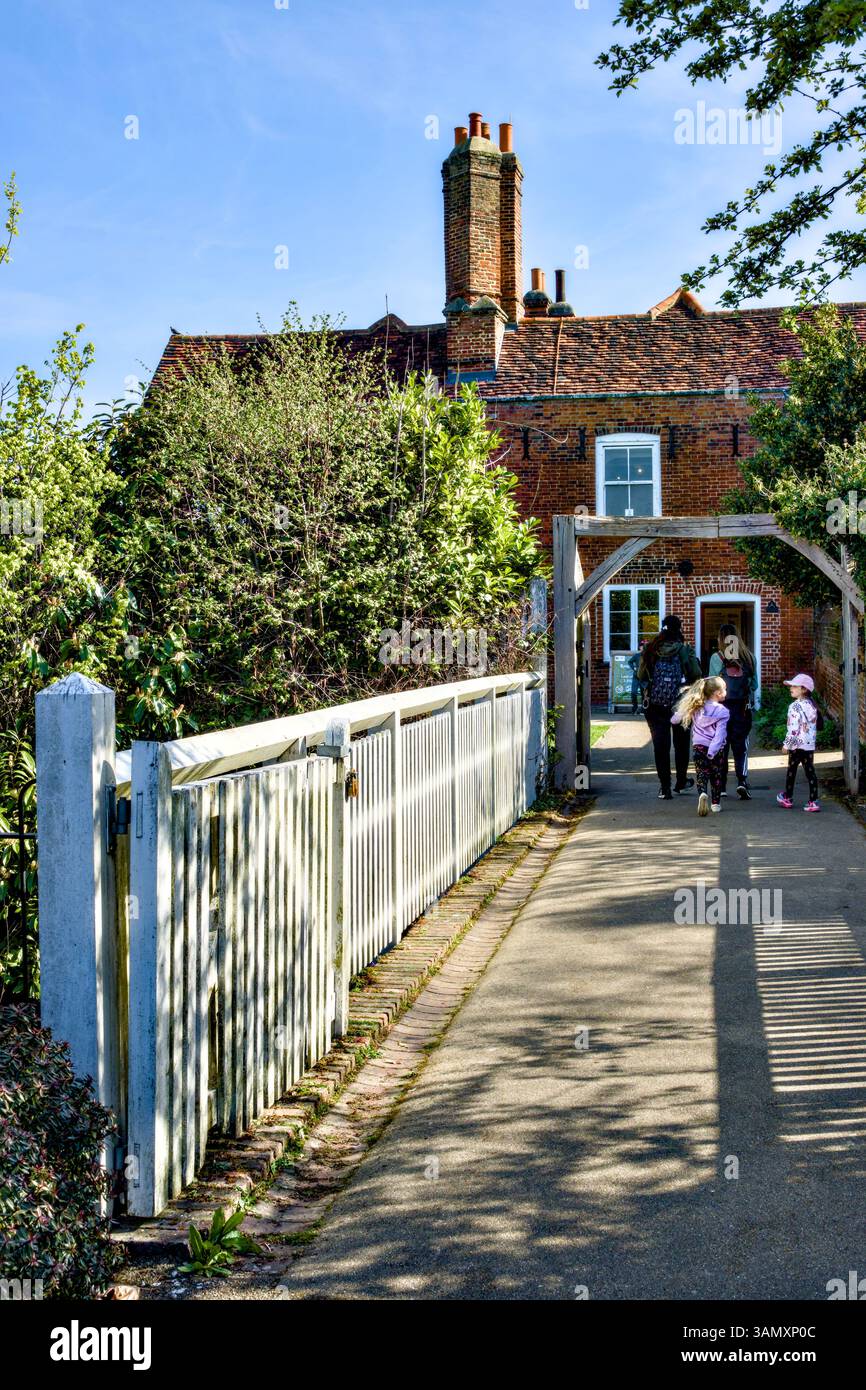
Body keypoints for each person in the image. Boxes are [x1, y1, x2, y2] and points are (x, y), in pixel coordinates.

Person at [638, 615, 702, 799]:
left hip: (655, 704)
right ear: (679, 629)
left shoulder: (651, 649)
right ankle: (681, 781)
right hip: (681, 704)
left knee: (661, 746)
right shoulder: (684, 649)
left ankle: (664, 787)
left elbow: (641, 675)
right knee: (681, 744)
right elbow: (696, 674)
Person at [708, 622, 758, 800]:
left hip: (721, 709)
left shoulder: (717, 658)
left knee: (721, 746)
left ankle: (721, 786)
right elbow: (754, 685)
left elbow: (711, 685)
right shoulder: (749, 657)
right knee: (741, 746)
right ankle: (742, 781)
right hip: (742, 709)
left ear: (721, 639)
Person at [672, 676, 730, 815]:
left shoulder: (696, 706)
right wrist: (712, 751)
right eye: (725, 689)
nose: (726, 691)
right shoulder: (722, 711)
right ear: (718, 693)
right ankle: (715, 804)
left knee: (701, 773)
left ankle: (702, 793)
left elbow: (676, 719)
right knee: (716, 776)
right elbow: (720, 734)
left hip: (698, 746)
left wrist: (674, 718)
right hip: (716, 750)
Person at [776, 673, 821, 812]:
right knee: (810, 772)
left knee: (791, 771)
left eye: (795, 686)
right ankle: (813, 801)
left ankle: (788, 798)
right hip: (808, 745)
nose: (791, 688)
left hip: (796, 745)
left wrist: (786, 744)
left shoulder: (794, 706)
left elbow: (793, 729)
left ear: (804, 689)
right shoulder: (812, 706)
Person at [627, 640, 647, 715]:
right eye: (642, 646)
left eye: (644, 646)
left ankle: (643, 709)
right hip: (636, 677)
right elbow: (630, 662)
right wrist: (634, 668)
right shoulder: (637, 655)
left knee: (643, 694)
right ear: (639, 647)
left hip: (644, 677)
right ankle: (634, 708)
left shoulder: (649, 656)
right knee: (633, 692)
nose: (643, 647)